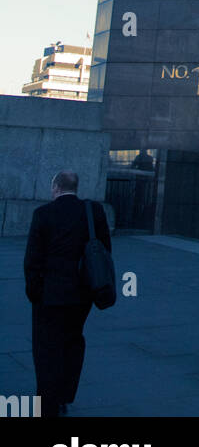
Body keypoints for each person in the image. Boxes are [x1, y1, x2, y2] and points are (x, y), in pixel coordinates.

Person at [23, 170, 111, 418]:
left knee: (46, 350)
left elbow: (32, 260)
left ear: (56, 188)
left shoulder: (43, 214)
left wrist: (34, 293)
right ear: (75, 187)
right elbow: (104, 251)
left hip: (49, 296)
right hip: (81, 296)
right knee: (73, 343)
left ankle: (47, 406)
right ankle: (64, 396)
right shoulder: (93, 212)